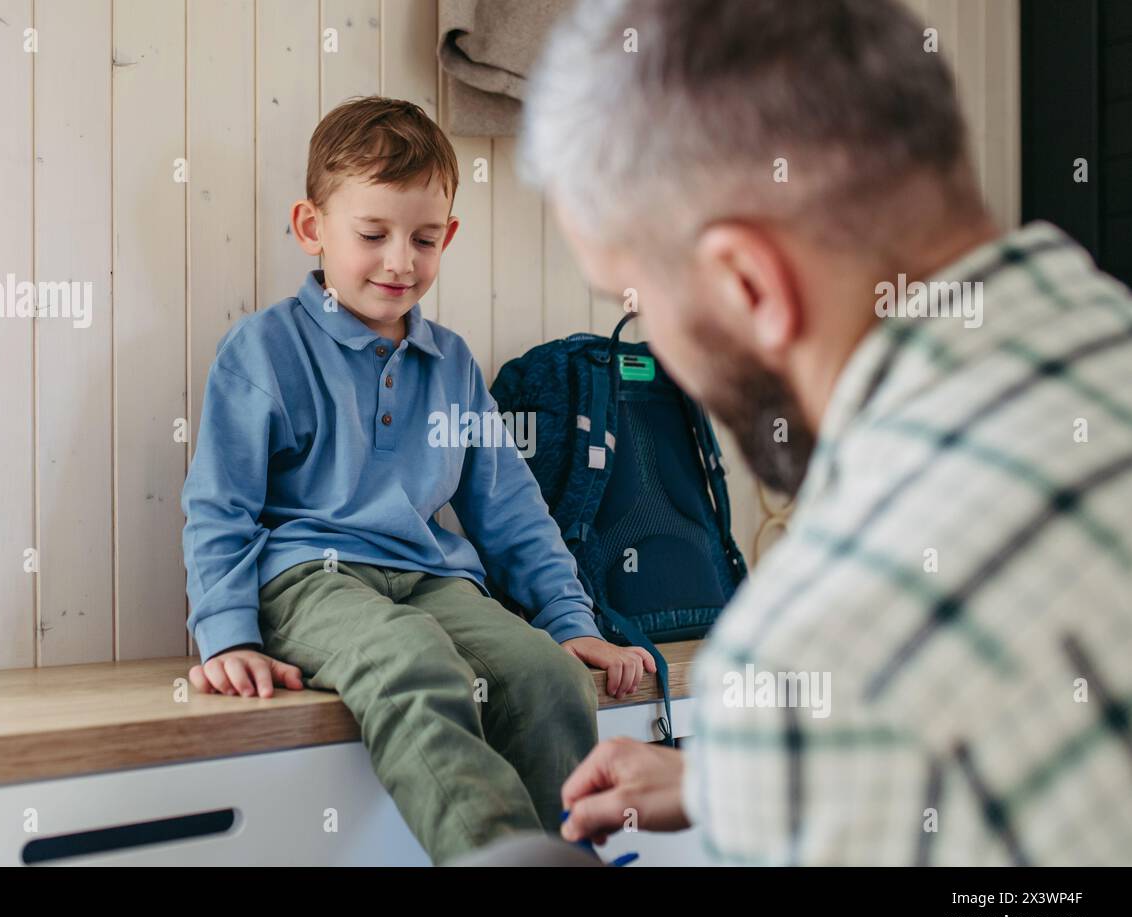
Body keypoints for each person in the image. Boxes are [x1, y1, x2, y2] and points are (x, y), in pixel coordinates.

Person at [467, 0, 1132, 865]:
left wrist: (774, 763)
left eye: (637, 299)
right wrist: (730, 785)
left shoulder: (811, 656)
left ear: (749, 282)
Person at [179, 96, 653, 865]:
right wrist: (225, 633)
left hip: (429, 578)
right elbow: (217, 506)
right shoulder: (263, 350)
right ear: (312, 229)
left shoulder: (452, 363)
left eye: (424, 239)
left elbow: (510, 509)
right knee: (416, 662)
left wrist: (572, 622)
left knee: (547, 676)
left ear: (448, 238)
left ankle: (580, 852)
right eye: (373, 235)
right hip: (306, 578)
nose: (400, 261)